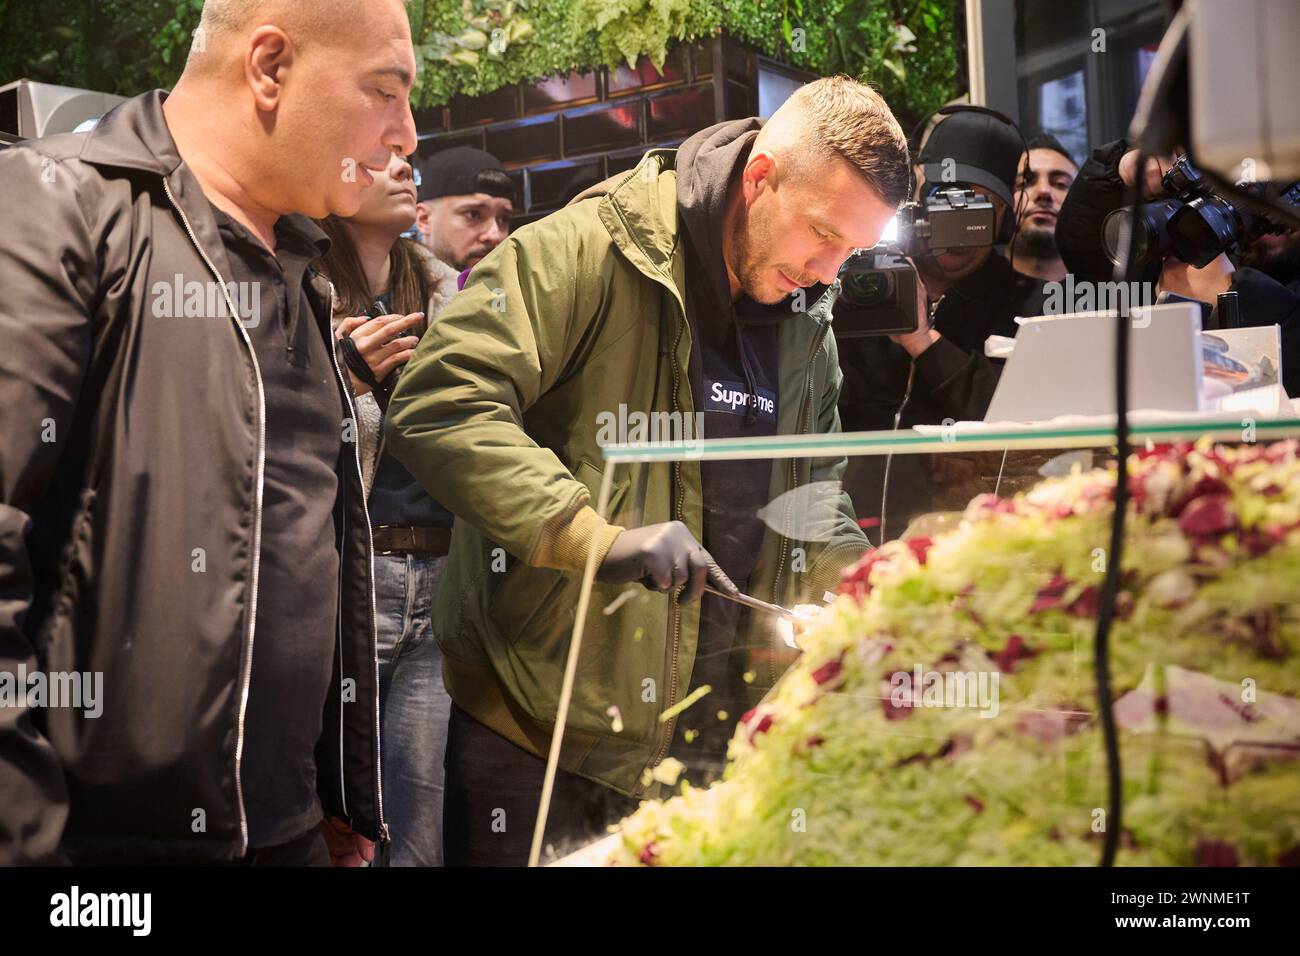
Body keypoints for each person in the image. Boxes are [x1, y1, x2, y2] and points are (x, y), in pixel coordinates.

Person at [384, 75, 909, 865]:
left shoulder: (810, 322)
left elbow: (813, 494)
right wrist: (588, 535)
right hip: (542, 731)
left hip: (711, 734)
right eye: (822, 235)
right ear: (760, 177)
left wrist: (868, 591)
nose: (831, 270)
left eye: (852, 251)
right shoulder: (588, 246)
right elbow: (439, 400)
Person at [0, 0, 418, 865]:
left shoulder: (303, 273)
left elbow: (306, 550)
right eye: (385, 91)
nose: (407, 133)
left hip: (288, 829)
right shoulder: (59, 206)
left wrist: (333, 788)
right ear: (269, 67)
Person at [315, 151, 463, 867]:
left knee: (418, 815)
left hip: (441, 574)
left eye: (411, 164)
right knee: (338, 809)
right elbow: (266, 435)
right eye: (382, 161)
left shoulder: (448, 292)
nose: (406, 171)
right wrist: (340, 376)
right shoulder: (306, 289)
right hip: (353, 576)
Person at [836, 108, 1048, 538]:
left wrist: (924, 342)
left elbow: (1020, 426)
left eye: (973, 208)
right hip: (844, 538)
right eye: (944, 200)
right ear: (916, 199)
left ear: (1004, 217)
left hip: (971, 544)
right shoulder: (857, 285)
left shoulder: (1030, 304)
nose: (955, 226)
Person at [1056, 139, 1300, 396]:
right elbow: (1084, 251)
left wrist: (1233, 297)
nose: (1258, 203)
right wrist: (1122, 171)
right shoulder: (1193, 242)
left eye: (1280, 185)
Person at [414, 146, 515, 273]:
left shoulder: (519, 288)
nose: (495, 236)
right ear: (425, 219)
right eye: (473, 215)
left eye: (503, 219)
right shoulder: (391, 288)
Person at [1009, 133, 1078, 282]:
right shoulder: (968, 296)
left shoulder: (1113, 295)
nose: (1044, 191)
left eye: (1061, 184)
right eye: (1025, 183)